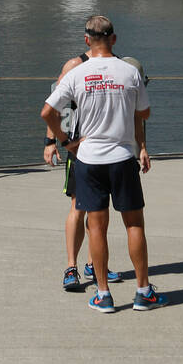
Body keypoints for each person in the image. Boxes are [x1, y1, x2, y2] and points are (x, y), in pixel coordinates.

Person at [41, 14, 167, 312]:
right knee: (134, 224)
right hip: (122, 158)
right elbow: (145, 113)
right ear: (114, 38)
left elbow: (47, 111)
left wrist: (64, 141)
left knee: (96, 227)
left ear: (87, 40)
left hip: (89, 159)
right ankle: (143, 292)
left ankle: (103, 294)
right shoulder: (130, 71)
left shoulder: (76, 73)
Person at [43, 49, 123, 291]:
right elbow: (55, 106)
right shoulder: (75, 65)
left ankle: (94, 263)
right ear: (90, 39)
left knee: (100, 209)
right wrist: (51, 141)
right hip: (79, 148)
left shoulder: (116, 65)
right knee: (78, 206)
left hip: (107, 147)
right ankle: (71, 267)